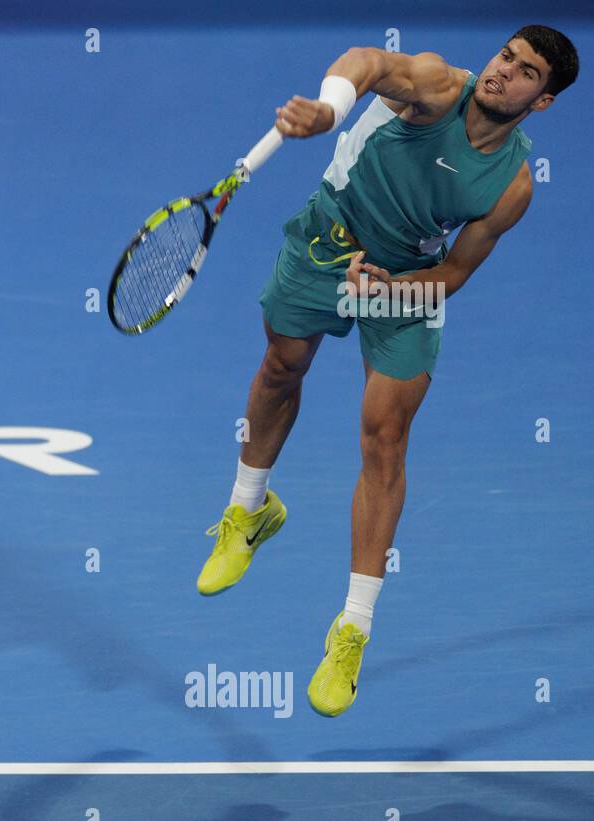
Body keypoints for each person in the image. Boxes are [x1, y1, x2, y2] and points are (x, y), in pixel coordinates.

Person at [197, 26, 579, 716]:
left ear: (542, 102)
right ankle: (247, 508)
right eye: (505, 56)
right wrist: (329, 109)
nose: (503, 73)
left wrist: (389, 291)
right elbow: (369, 62)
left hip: (407, 277)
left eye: (525, 73)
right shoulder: (435, 85)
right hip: (329, 235)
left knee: (384, 436)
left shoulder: (513, 186)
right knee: (282, 365)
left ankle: (352, 629)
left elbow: (455, 274)